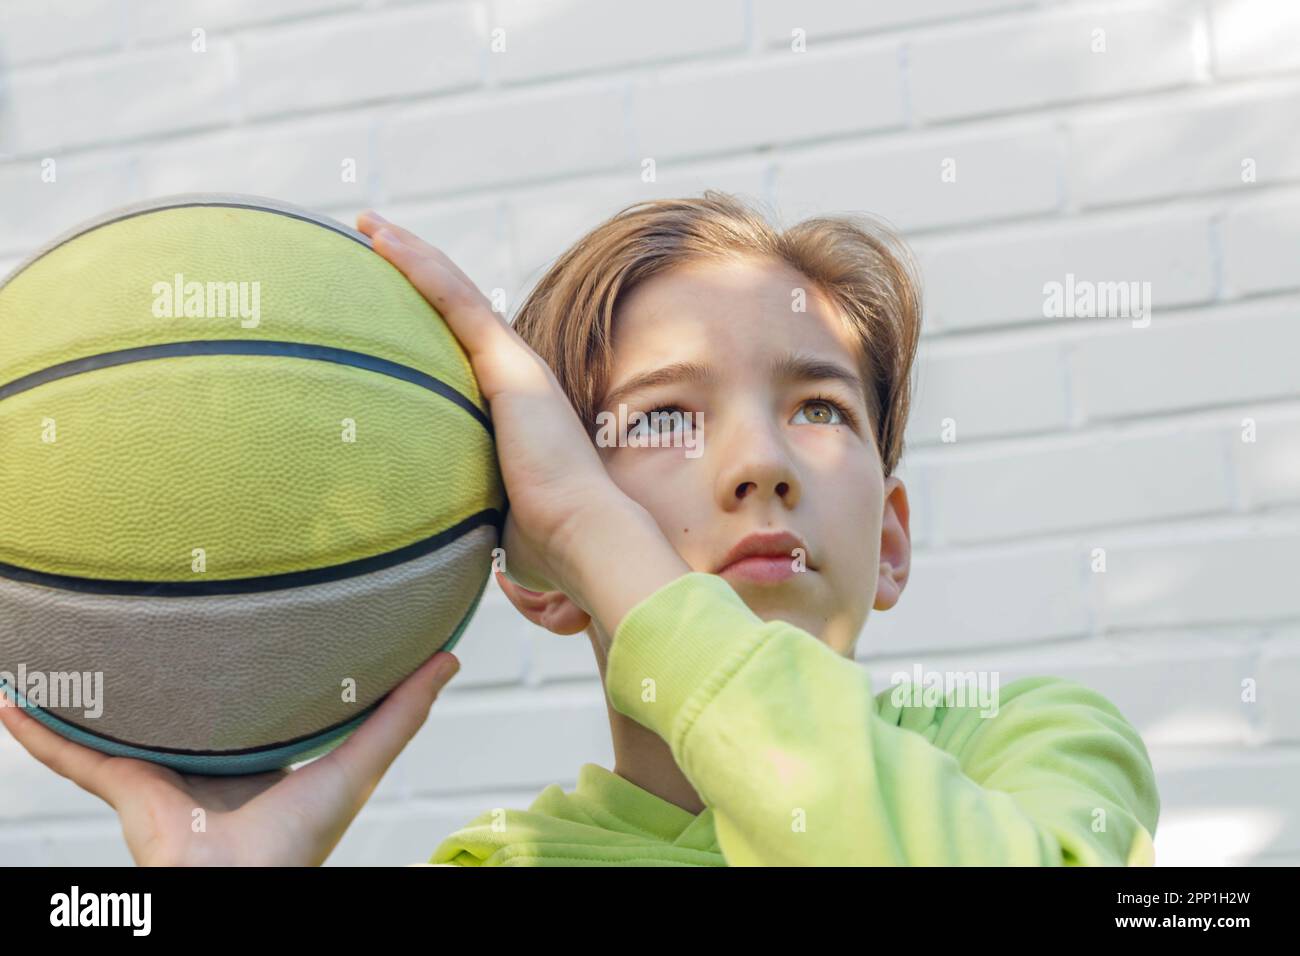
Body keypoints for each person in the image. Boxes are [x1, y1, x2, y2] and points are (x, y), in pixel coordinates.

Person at [1, 191, 1159, 866]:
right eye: (662, 415)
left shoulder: (1036, 750)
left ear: (892, 537)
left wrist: (603, 522)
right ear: (543, 571)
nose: (759, 463)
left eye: (817, 406)